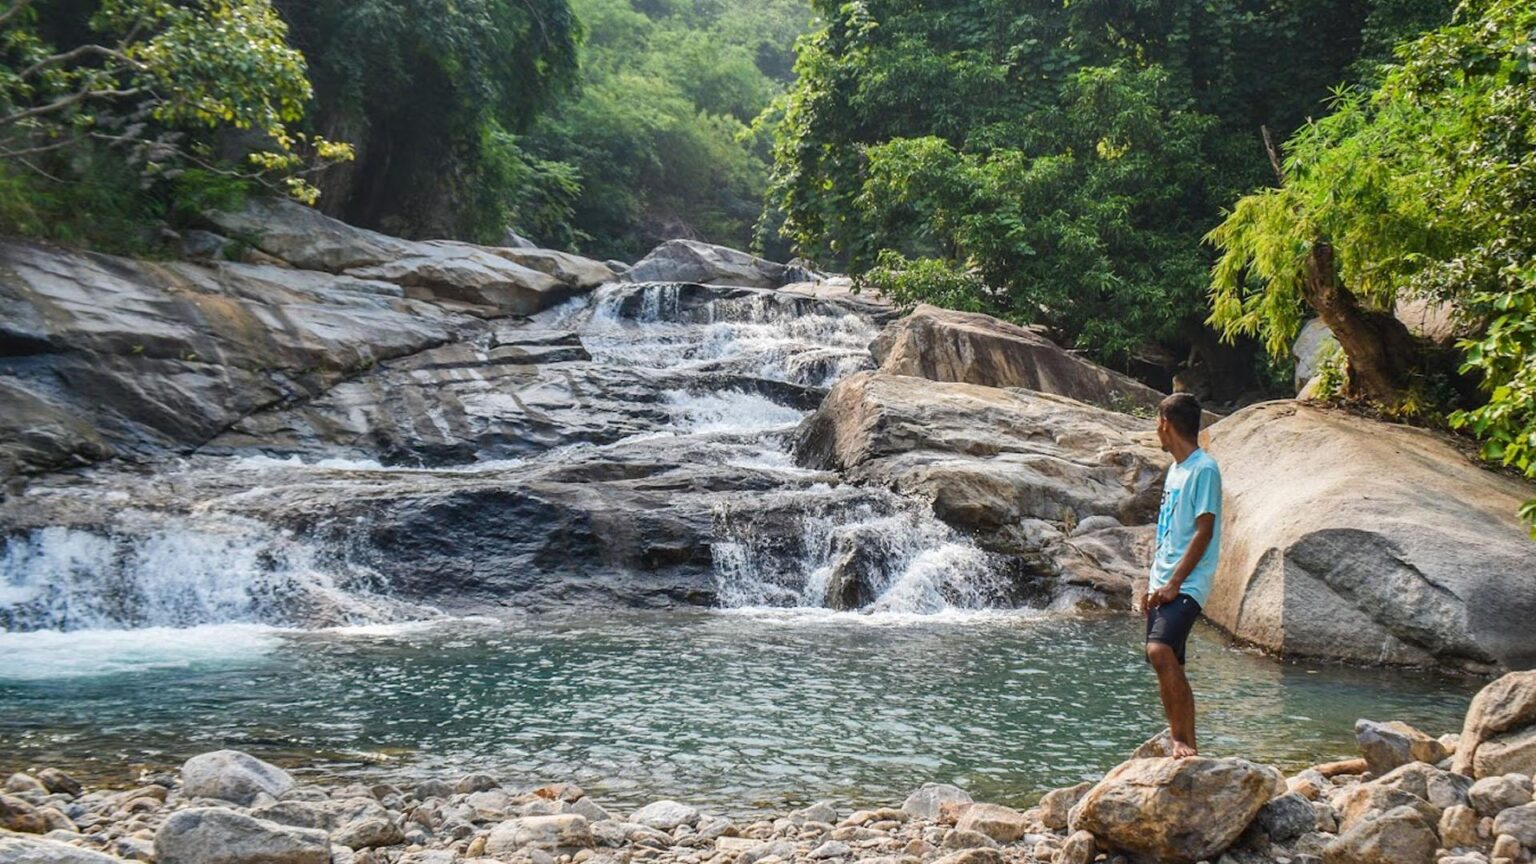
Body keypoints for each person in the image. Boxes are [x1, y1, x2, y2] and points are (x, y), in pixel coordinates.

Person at [1137, 392, 1222, 759]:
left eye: (1157, 423)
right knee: (1170, 660)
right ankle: (1186, 742)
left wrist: (1174, 584)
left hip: (1187, 583)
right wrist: (1153, 582)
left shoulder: (1204, 469)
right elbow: (1168, 530)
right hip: (1166, 581)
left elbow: (1205, 530)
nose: (1157, 429)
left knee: (1159, 650)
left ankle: (1181, 740)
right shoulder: (1175, 470)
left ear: (1165, 424)